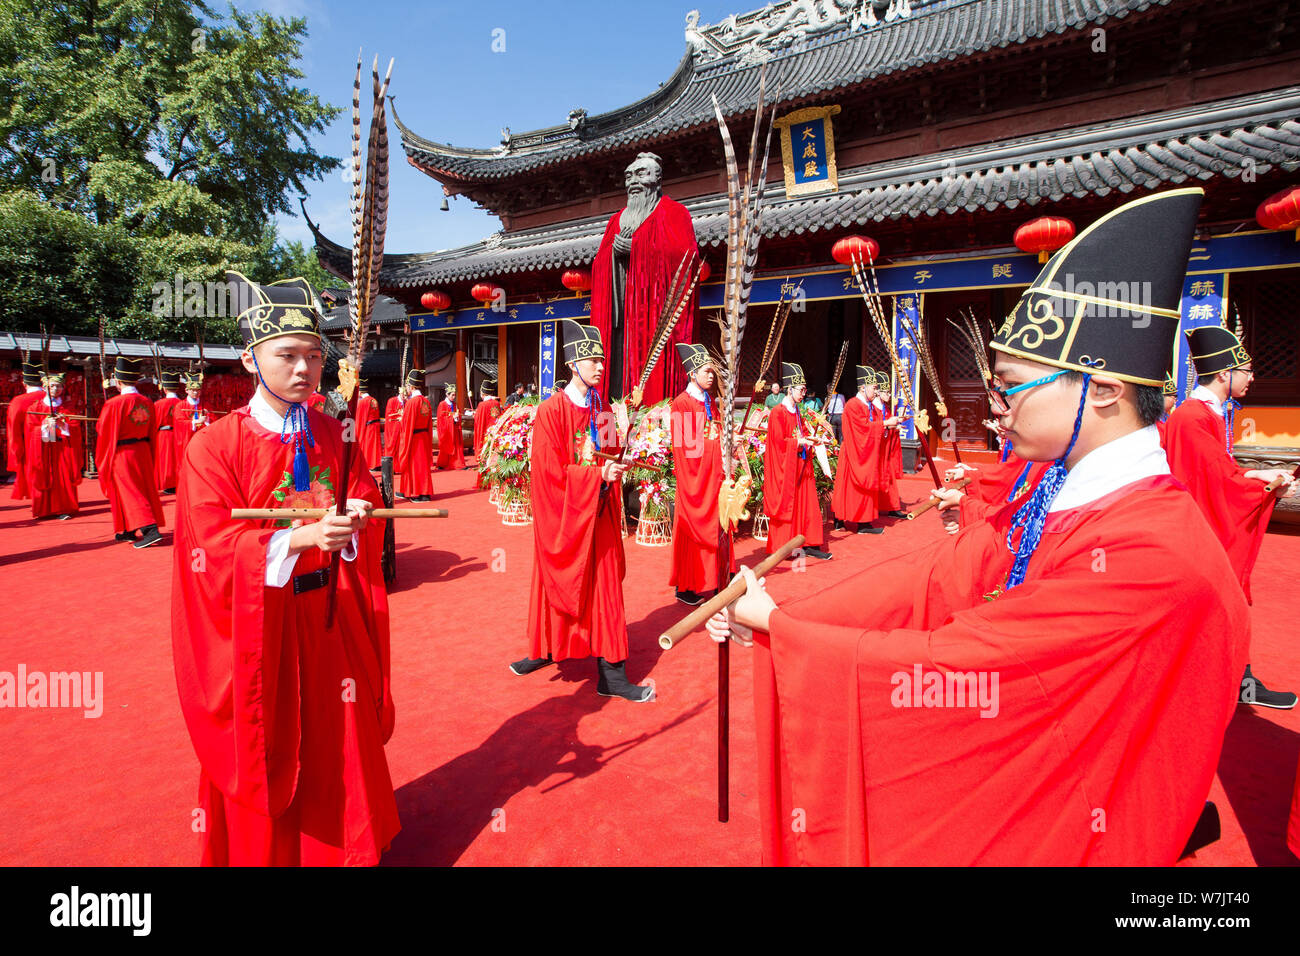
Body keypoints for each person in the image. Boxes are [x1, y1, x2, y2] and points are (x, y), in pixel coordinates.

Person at [706, 187, 1248, 865]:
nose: (999, 408)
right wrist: (782, 606)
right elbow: (947, 574)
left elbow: (983, 665)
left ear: (1104, 388)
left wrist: (787, 633)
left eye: (1012, 385)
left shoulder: (1152, 555)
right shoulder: (1070, 494)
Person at [171, 271, 398, 866]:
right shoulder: (213, 446)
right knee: (270, 745)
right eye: (287, 356)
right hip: (260, 625)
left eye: (314, 356)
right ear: (252, 359)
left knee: (340, 741)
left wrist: (355, 519)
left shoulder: (331, 431)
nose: (304, 369)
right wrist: (299, 536)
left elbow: (359, 497)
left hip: (330, 620)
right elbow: (211, 547)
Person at [509, 318, 654, 702]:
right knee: (555, 577)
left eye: (603, 360)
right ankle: (547, 647)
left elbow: (609, 455)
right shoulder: (551, 411)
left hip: (599, 512)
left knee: (605, 588)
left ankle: (612, 673)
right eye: (593, 361)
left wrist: (616, 458)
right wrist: (595, 475)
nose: (601, 367)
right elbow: (548, 473)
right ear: (573, 364)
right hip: (567, 511)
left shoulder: (603, 409)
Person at [1162, 324, 1297, 708]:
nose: (1252, 377)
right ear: (1224, 373)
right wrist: (1263, 488)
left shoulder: (1208, 413)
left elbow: (1219, 469)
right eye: (1246, 370)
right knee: (1219, 604)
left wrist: (1257, 475)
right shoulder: (1192, 417)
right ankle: (1234, 682)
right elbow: (1216, 482)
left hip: (1201, 525)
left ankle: (1234, 678)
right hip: (1201, 528)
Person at [589, 152, 699, 403]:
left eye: (641, 174)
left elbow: (686, 257)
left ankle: (654, 425)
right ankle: (612, 425)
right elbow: (598, 263)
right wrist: (614, 255)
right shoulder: (616, 219)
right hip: (621, 320)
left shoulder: (675, 213)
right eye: (629, 176)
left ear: (657, 179)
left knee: (654, 377)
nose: (633, 182)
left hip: (654, 314)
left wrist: (637, 249)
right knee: (617, 377)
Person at [669, 343, 732, 605]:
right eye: (707, 371)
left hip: (712, 478)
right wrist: (719, 444)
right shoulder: (681, 404)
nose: (711, 376)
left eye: (713, 372)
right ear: (692, 372)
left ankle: (719, 579)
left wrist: (730, 441)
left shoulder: (710, 402)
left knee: (720, 525)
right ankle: (688, 586)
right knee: (693, 533)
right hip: (694, 480)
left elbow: (714, 434)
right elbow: (687, 450)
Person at [96, 357, 165, 547]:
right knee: (140, 488)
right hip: (142, 449)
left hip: (123, 452)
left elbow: (104, 430)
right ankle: (128, 529)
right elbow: (153, 429)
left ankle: (149, 529)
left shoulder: (114, 404)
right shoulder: (147, 402)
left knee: (130, 490)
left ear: (118, 381)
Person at [764, 362, 829, 560]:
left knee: (806, 504)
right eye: (801, 390)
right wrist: (798, 442)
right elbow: (777, 443)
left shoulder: (798, 412)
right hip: (788, 466)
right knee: (789, 505)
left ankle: (806, 541)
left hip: (801, 464)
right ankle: (785, 545)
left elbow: (801, 433)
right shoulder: (778, 412)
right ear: (789, 389)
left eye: (804, 390)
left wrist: (813, 439)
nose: (803, 393)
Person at [830, 366, 890, 535]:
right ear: (863, 387)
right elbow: (862, 429)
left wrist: (888, 424)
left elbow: (873, 426)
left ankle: (861, 521)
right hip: (854, 452)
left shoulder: (868, 405)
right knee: (851, 488)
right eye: (874, 388)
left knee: (857, 488)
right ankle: (855, 522)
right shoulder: (853, 405)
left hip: (864, 451)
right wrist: (884, 424)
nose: (876, 392)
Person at [26, 371, 82, 520]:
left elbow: (75, 427)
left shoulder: (67, 407)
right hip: (44, 447)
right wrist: (45, 425)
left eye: (58, 386)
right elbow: (30, 429)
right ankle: (44, 510)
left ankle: (63, 508)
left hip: (61, 448)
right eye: (52, 386)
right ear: (45, 387)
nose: (55, 389)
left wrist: (63, 425)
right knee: (44, 475)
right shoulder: (36, 406)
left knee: (63, 478)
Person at [392, 369, 433, 501]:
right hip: (423, 437)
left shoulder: (412, 403)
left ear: (412, 386)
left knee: (413, 466)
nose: (407, 389)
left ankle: (416, 492)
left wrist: (404, 440)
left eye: (408, 386)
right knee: (422, 466)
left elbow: (407, 424)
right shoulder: (426, 401)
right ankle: (418, 491)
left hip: (413, 439)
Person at [6, 359, 45, 499]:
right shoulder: (50, 398)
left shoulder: (18, 401)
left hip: (28, 445)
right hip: (51, 442)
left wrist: (16, 451)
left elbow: (13, 429)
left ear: (24, 383)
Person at [172, 372, 210, 467]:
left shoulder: (205, 405)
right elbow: (179, 423)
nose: (196, 392)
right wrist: (194, 422)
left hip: (202, 442)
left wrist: (207, 420)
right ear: (187, 390)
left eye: (198, 390)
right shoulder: (180, 406)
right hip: (187, 441)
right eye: (193, 390)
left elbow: (213, 422)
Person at [154, 370, 183, 494]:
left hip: (163, 434)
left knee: (165, 459)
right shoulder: (182, 403)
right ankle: (177, 482)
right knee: (177, 458)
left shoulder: (158, 404)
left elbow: (154, 422)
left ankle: (166, 483)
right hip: (179, 434)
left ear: (164, 389)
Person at [472, 381, 502, 488]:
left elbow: (479, 422)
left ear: (483, 393)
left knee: (484, 458)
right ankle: (495, 481)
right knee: (494, 457)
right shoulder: (496, 404)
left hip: (485, 436)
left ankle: (484, 481)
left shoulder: (482, 405)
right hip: (495, 435)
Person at [355, 378, 383, 471]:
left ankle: (370, 464)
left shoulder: (362, 402)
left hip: (368, 427)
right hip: (375, 426)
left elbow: (360, 418)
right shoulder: (373, 400)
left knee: (368, 446)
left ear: (360, 392)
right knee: (375, 446)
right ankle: (376, 463)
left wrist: (357, 432)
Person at [435, 389, 465, 470]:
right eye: (452, 395)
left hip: (454, 428)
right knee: (445, 445)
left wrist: (457, 417)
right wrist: (452, 418)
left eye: (454, 395)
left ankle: (457, 463)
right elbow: (441, 418)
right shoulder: (442, 404)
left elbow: (457, 414)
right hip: (447, 429)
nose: (454, 397)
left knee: (456, 446)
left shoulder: (454, 404)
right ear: (447, 395)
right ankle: (442, 463)